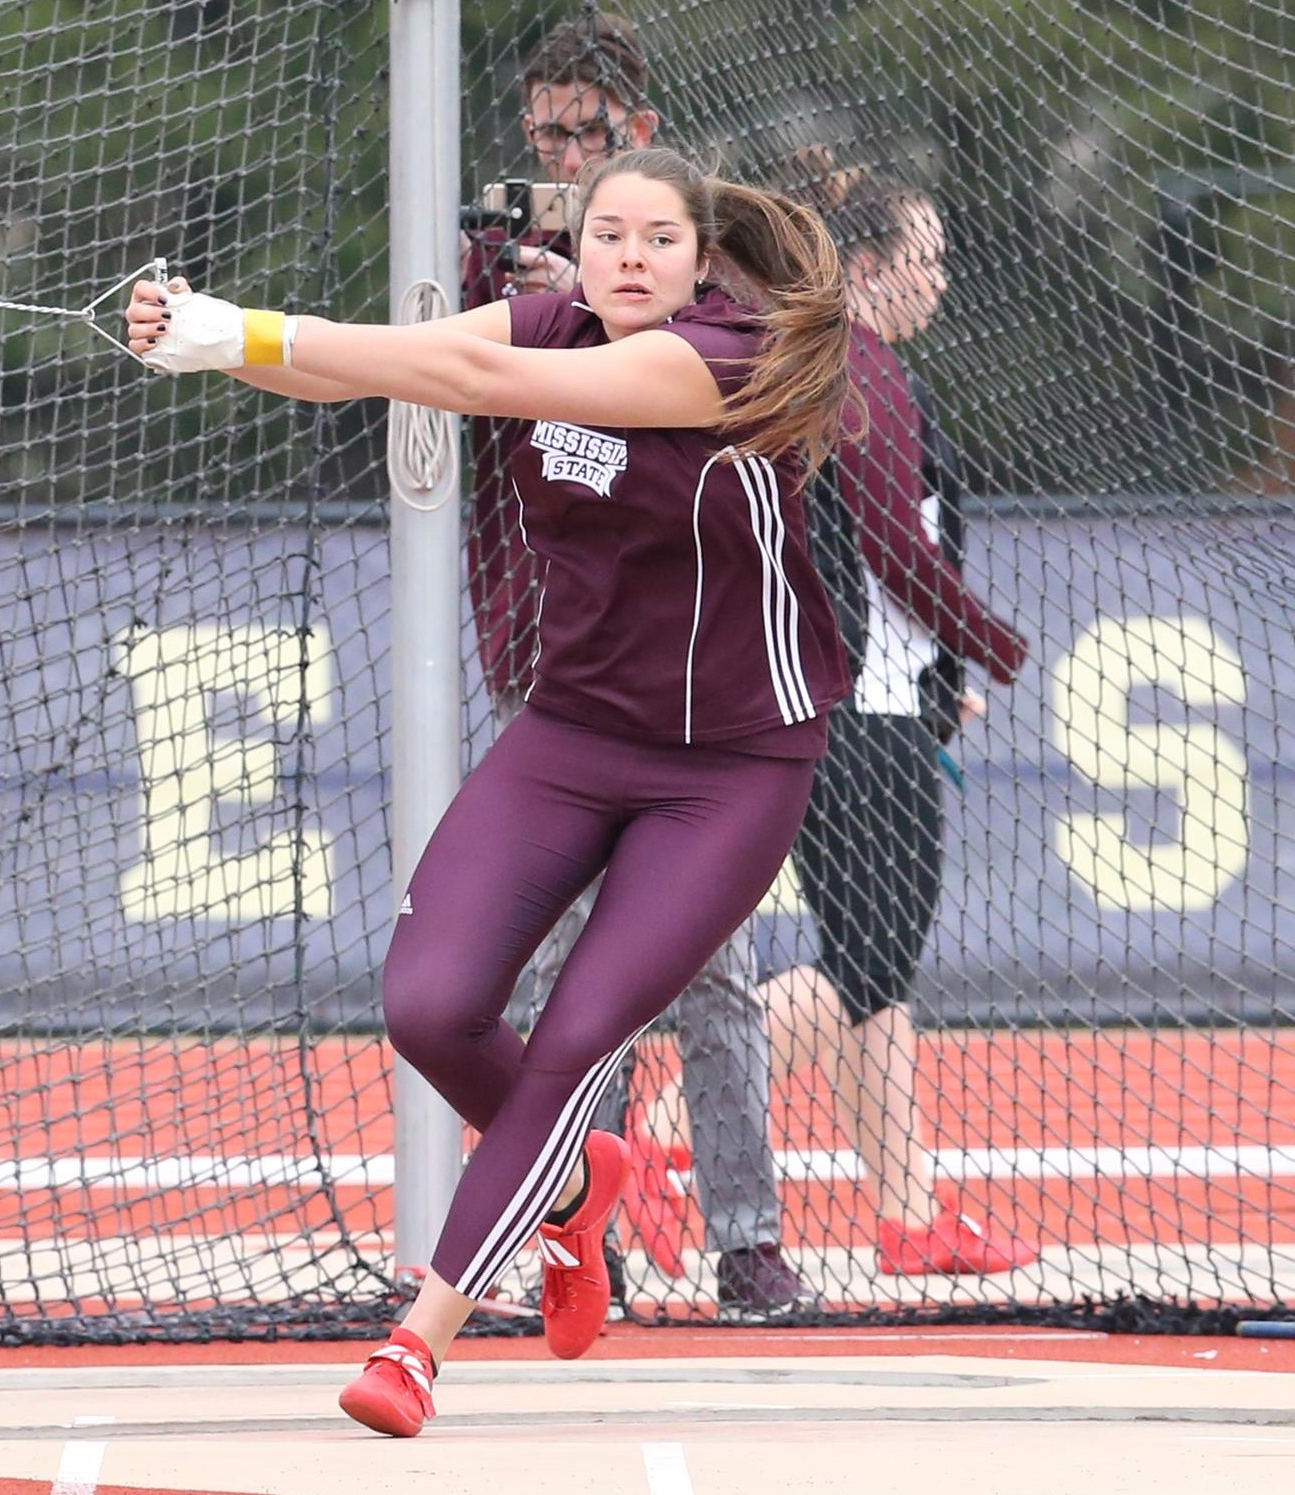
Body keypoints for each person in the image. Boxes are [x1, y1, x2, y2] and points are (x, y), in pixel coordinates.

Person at [130, 147, 853, 1436]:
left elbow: (468, 377)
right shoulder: (548, 318)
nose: (630, 256)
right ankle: (577, 1187)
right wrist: (207, 341)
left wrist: (249, 324)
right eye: (608, 234)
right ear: (578, 250)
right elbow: (359, 368)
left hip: (730, 770)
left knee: (579, 1035)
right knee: (431, 1005)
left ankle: (419, 1340)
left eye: (658, 239)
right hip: (572, 735)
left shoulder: (713, 356)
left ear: (700, 260)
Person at [460, 11, 811, 1322]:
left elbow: (741, 355)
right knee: (554, 964)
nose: (557, 156)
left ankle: (747, 1237)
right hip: (548, 667)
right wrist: (504, 281)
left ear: (640, 144)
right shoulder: (505, 282)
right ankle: (570, 1224)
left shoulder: (700, 288)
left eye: (584, 139)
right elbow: (446, 364)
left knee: (708, 963)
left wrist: (592, 272)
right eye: (543, 133)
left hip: (689, 686)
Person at [746, 160, 1038, 1276]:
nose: (942, 277)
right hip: (857, 717)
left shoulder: (839, 368)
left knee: (879, 980)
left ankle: (910, 1213)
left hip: (857, 703)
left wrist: (935, 671)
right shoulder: (856, 372)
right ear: (867, 269)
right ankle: (664, 1134)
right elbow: (891, 554)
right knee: (869, 961)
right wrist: (984, 646)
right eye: (927, 255)